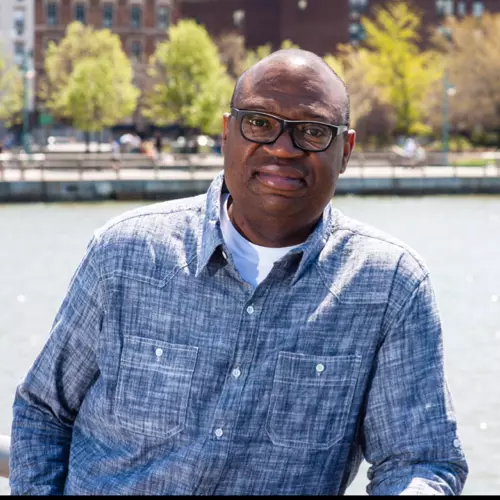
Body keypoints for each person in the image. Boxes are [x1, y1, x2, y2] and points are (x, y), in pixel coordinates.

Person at [9, 49, 468, 495]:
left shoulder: (389, 285)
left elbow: (419, 459)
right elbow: (44, 411)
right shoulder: (124, 253)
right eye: (260, 123)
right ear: (228, 133)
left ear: (345, 151)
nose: (283, 148)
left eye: (312, 131)